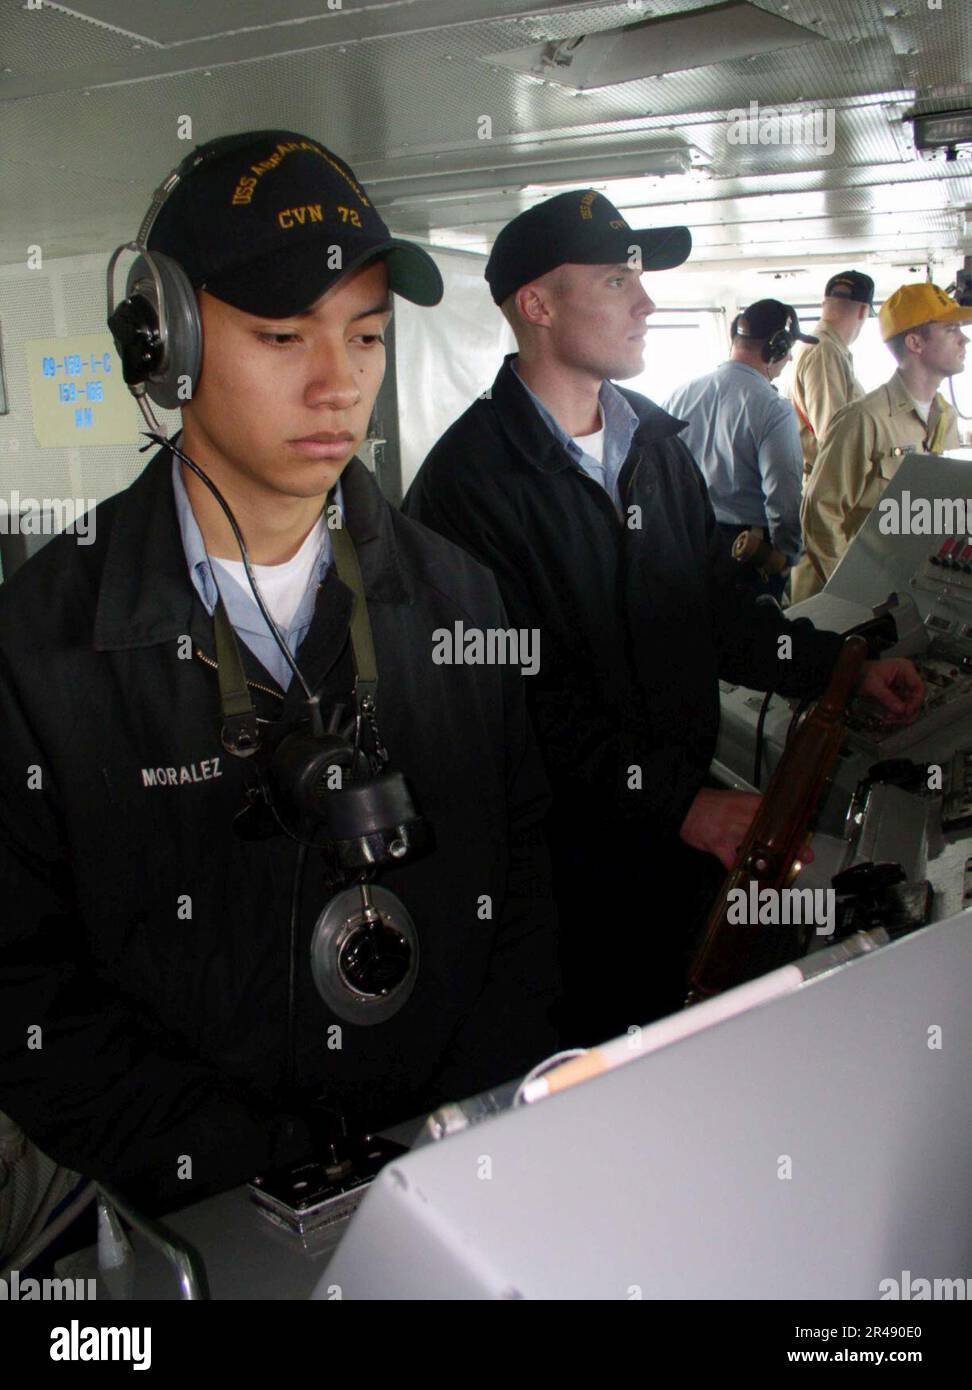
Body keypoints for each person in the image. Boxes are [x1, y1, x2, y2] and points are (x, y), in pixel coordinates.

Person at [0, 131, 561, 1218]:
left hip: (443, 1184)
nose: (336, 382)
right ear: (167, 348)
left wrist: (453, 1142)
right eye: (280, 334)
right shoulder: (39, 647)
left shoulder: (463, 601)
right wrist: (248, 1169)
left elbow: (526, 892)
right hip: (204, 1209)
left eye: (365, 334)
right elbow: (23, 990)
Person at [402, 189, 924, 1045]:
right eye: (615, 282)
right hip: (561, 880)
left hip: (670, 845)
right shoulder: (466, 490)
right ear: (536, 306)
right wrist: (679, 803)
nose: (646, 302)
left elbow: (714, 611)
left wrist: (843, 668)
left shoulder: (655, 447)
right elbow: (506, 706)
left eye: (639, 279)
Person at [798, 282, 971, 599]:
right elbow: (821, 516)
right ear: (916, 342)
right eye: (951, 330)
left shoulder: (943, 416)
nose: (965, 339)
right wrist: (855, 593)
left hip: (902, 588)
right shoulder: (864, 420)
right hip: (851, 598)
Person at [663, 299, 813, 600]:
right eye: (789, 349)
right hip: (745, 551)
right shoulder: (774, 408)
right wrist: (786, 556)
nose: (790, 358)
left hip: (685, 542)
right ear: (778, 347)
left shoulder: (680, 395)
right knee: (750, 642)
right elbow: (783, 494)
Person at [786, 270, 873, 481]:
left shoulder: (828, 348)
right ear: (863, 311)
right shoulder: (824, 351)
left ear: (824, 304)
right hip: (833, 489)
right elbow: (832, 437)